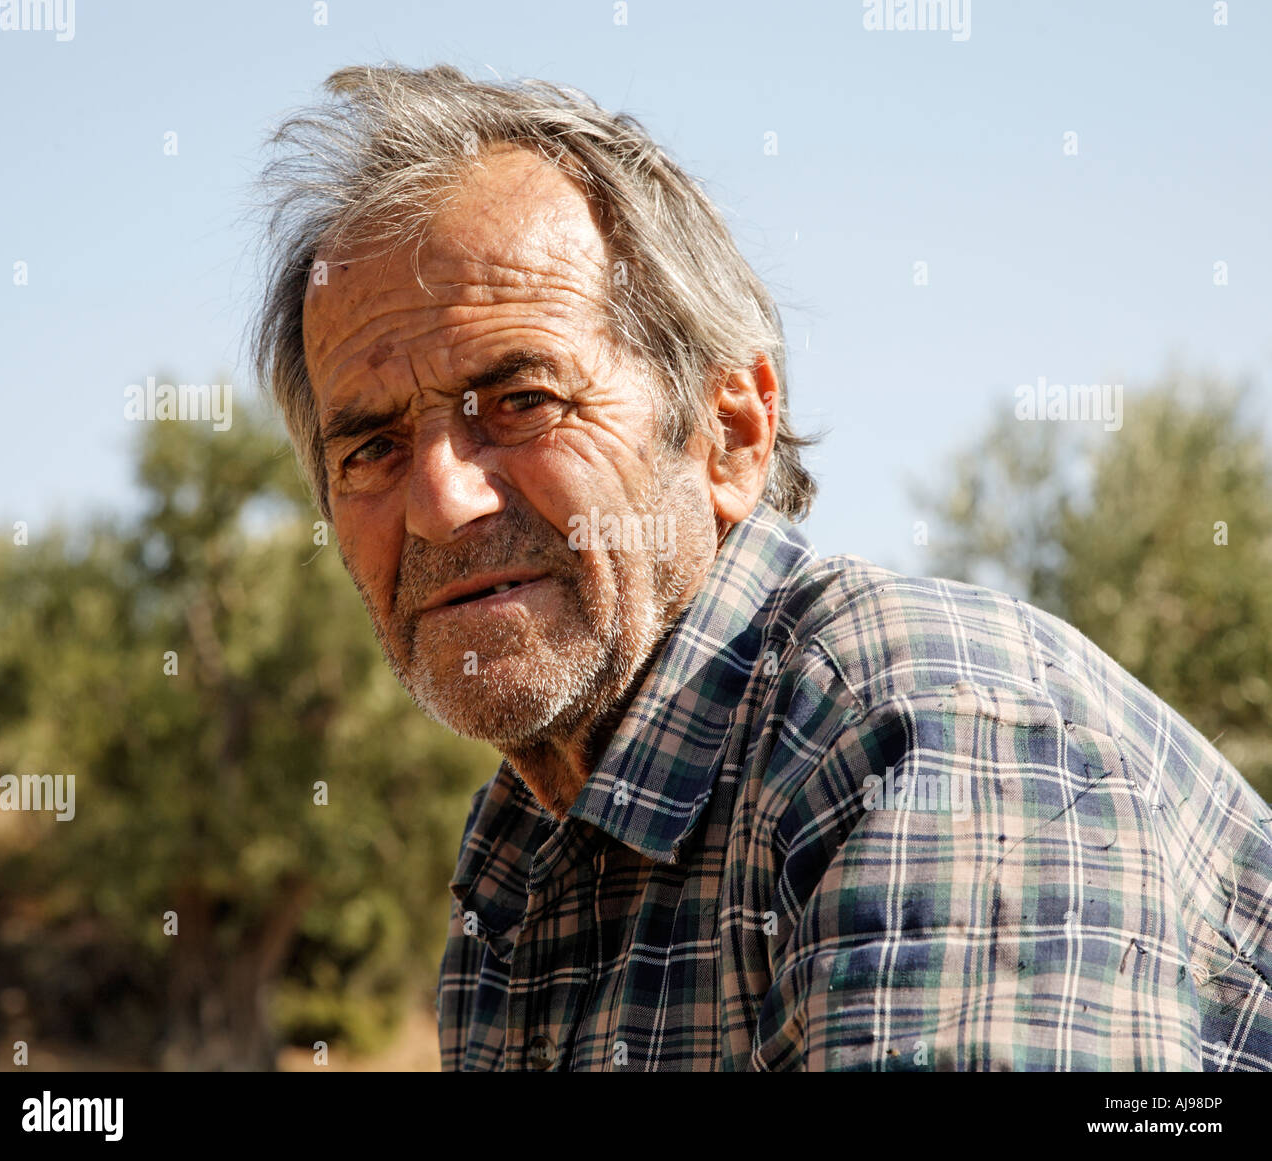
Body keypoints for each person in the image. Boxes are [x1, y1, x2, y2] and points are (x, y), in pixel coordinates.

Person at [253, 64, 1272, 1071]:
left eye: (521, 402)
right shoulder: (520, 843)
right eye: (371, 448)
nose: (440, 501)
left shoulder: (921, 729)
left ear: (730, 434)